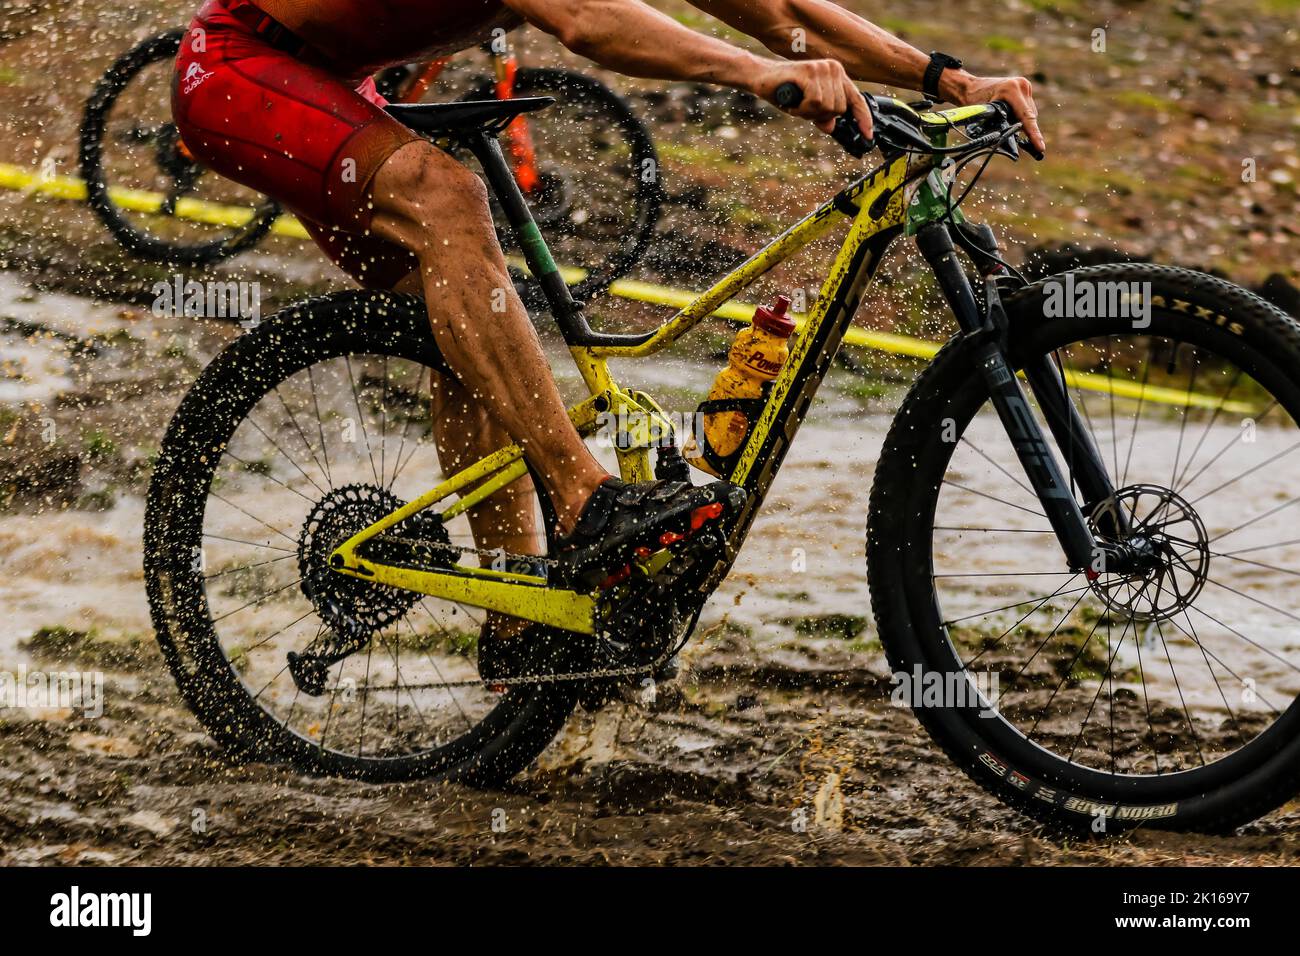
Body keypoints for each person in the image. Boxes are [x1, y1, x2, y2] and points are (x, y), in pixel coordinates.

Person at [171, 0, 1045, 677]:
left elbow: (786, 17)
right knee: (449, 202)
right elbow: (589, 21)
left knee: (463, 313)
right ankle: (586, 499)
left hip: (340, 85)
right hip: (242, 67)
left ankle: (521, 628)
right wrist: (753, 76)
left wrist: (948, 81)